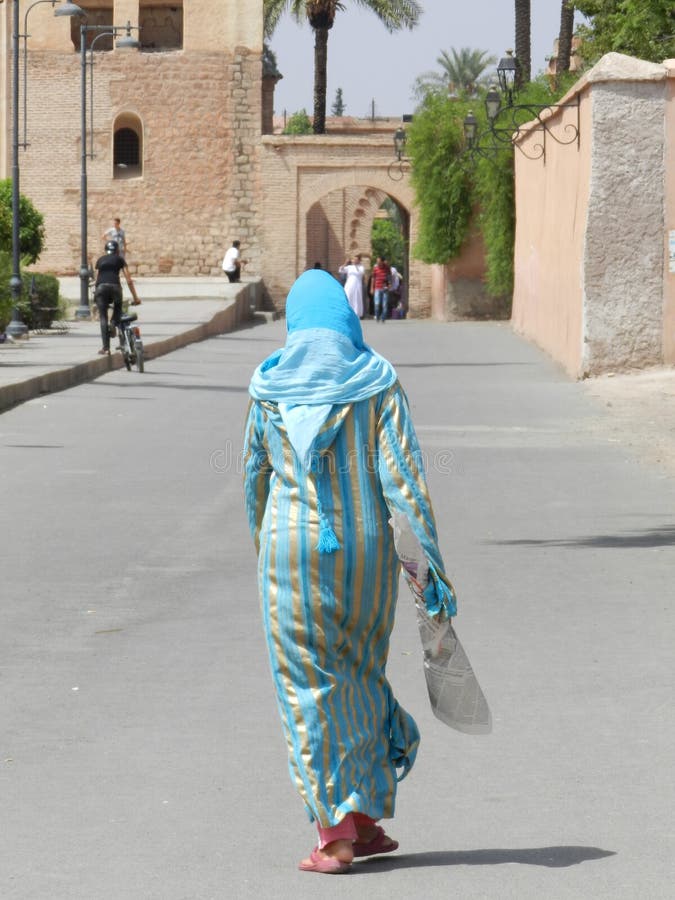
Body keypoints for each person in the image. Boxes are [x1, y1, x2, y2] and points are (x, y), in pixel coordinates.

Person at [243, 269, 456, 875]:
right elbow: (405, 482)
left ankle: (333, 835)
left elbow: (253, 477)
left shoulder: (268, 386)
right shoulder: (377, 382)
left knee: (306, 684)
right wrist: (427, 566)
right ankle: (362, 820)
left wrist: (264, 543)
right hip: (365, 556)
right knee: (360, 671)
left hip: (290, 553)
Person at [94, 240, 140, 355]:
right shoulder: (120, 260)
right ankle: (114, 324)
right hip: (115, 287)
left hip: (100, 288)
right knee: (118, 309)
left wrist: (97, 295)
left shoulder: (100, 260)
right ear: (117, 251)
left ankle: (106, 348)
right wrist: (136, 298)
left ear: (105, 250)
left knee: (103, 317)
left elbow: (97, 278)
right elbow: (129, 280)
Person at [338, 254, 366, 318]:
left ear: (359, 260)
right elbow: (340, 270)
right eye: (354, 259)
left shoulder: (361, 267)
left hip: (357, 285)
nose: (354, 260)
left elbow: (360, 273)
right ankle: (347, 312)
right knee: (348, 296)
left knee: (356, 298)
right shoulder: (349, 267)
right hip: (349, 284)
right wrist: (345, 263)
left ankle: (356, 313)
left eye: (356, 259)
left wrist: (356, 265)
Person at [371, 255, 391, 322]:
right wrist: (371, 288)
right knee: (377, 304)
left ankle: (383, 317)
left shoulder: (387, 268)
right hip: (377, 287)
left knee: (384, 304)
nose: (377, 262)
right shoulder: (375, 268)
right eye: (377, 261)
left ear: (382, 262)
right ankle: (377, 316)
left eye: (379, 261)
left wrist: (390, 284)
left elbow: (389, 276)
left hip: (385, 288)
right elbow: (373, 278)